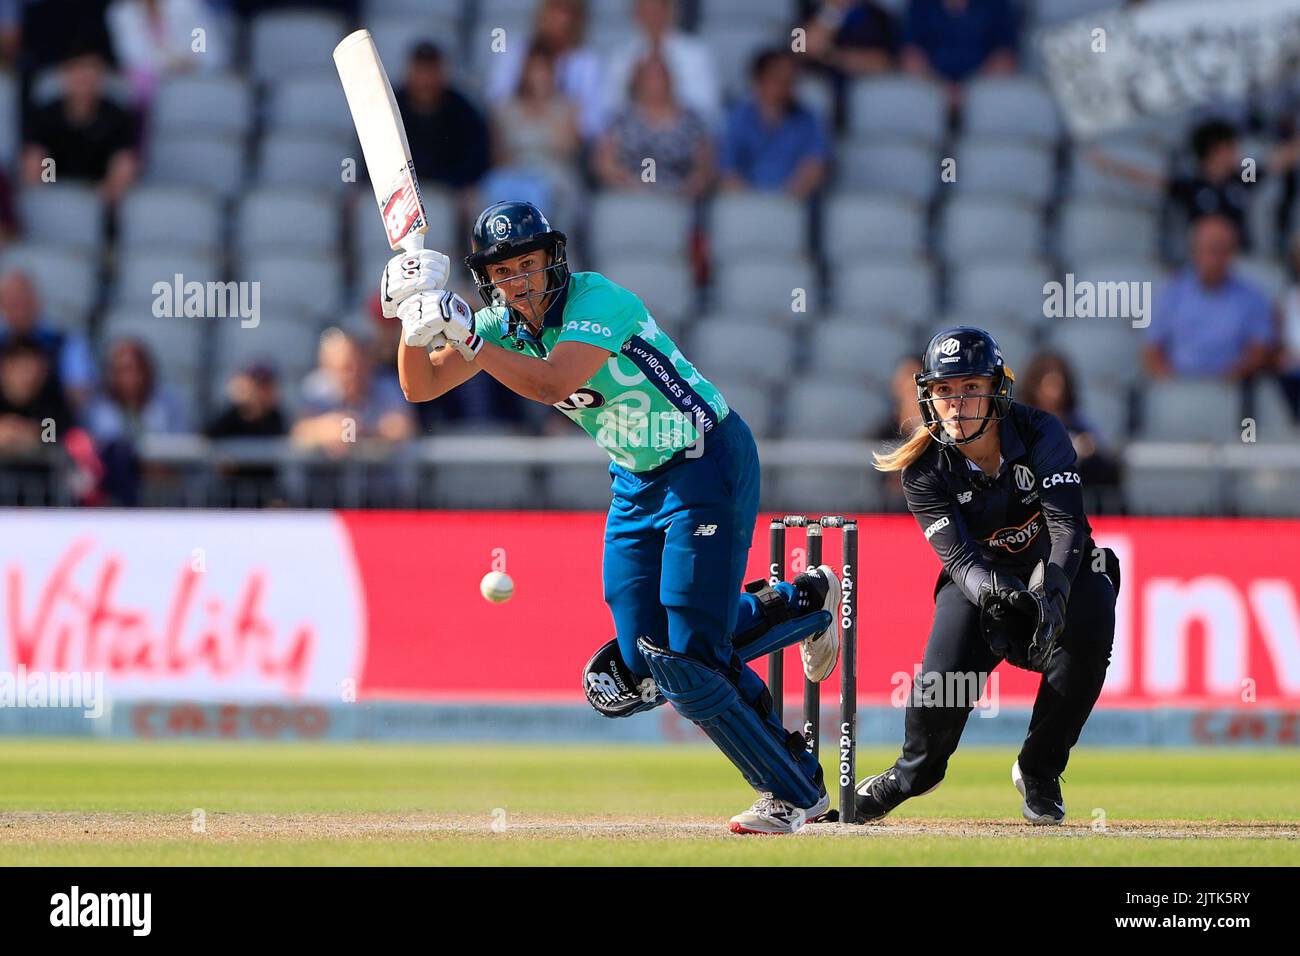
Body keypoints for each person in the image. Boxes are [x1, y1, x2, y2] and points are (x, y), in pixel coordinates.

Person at [380, 199, 843, 834]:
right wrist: (413, 319)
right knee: (637, 664)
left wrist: (463, 332)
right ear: (487, 278)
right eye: (505, 271)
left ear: (553, 260)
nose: (520, 281)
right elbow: (419, 388)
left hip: (704, 458)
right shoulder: (497, 323)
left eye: (530, 264)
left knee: (689, 660)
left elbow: (550, 383)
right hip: (634, 479)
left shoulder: (601, 302)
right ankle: (801, 602)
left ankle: (794, 791)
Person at [857, 327, 1119, 825]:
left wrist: (1054, 594)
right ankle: (908, 774)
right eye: (945, 391)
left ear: (997, 391)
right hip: (981, 581)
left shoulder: (1041, 431)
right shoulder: (923, 469)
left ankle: (1039, 770)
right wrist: (997, 596)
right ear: (929, 397)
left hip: (1059, 565)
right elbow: (958, 561)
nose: (956, 404)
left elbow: (1067, 526)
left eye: (970, 388)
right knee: (939, 693)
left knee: (1094, 612)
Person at [1088, 118, 1300, 251]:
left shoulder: (1243, 177)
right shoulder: (1191, 185)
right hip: (1204, 264)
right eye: (1231, 148)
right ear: (1214, 151)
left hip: (1240, 262)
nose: (1237, 154)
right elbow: (1147, 178)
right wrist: (1108, 164)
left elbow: (1278, 160)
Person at [1144, 215, 1277, 381]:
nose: (1214, 259)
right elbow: (1152, 348)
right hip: (1180, 388)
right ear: (1194, 251)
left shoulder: (1252, 297)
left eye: (1222, 250)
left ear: (1232, 253)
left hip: (1232, 389)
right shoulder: (1170, 294)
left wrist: (1239, 372)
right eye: (1209, 250)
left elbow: (1261, 347)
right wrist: (1170, 381)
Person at [20, 49, 139, 202]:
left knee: (125, 166)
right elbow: (39, 156)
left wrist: (106, 190)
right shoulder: (47, 115)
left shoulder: (116, 116)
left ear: (101, 75)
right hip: (56, 185)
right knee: (33, 161)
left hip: (100, 192)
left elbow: (123, 159)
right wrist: (48, 185)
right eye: (77, 69)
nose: (84, 76)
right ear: (64, 75)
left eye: (91, 69)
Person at [593, 54, 714, 200]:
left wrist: (687, 191)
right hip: (630, 196)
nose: (656, 82)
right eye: (649, 76)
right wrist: (629, 185)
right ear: (637, 81)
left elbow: (704, 166)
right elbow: (604, 163)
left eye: (660, 75)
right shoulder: (621, 119)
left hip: (680, 200)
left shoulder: (691, 120)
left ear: (671, 79)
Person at [485, 0, 606, 140]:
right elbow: (497, 101)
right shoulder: (514, 52)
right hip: (516, 137)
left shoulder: (588, 62)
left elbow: (592, 123)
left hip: (565, 144)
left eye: (566, 12)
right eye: (555, 10)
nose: (559, 19)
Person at [719, 49, 829, 200]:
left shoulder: (808, 120)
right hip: (744, 206)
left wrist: (785, 202)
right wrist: (754, 204)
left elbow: (814, 166)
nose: (786, 87)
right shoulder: (735, 119)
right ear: (757, 82)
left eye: (791, 80)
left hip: (794, 207)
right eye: (779, 79)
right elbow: (726, 171)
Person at [395, 42, 491, 205]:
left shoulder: (462, 109)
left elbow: (476, 156)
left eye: (431, 71)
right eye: (421, 71)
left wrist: (457, 183)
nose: (426, 80)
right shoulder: (392, 107)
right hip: (400, 188)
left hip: (451, 188)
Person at [604, 0, 720, 130]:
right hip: (633, 140)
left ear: (671, 12)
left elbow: (708, 111)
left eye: (658, 9)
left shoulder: (697, 54)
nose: (653, 16)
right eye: (646, 10)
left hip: (683, 139)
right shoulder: (621, 57)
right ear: (635, 14)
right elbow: (611, 110)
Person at [1017, 351, 1121, 492]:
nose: (1055, 393)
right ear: (1035, 387)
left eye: (1059, 386)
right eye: (1050, 386)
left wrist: (1087, 448)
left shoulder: (1077, 422)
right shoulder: (1019, 421)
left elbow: (1096, 448)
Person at [0, 270, 96, 409]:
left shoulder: (66, 343)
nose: (18, 309)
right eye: (12, 302)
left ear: (37, 302)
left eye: (23, 301)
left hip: (50, 419)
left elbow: (79, 399)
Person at [107, 0, 228, 109]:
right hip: (151, 92)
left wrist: (189, 61)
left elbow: (208, 50)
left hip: (193, 82)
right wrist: (171, 62)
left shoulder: (188, 5)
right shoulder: (121, 12)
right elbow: (133, 59)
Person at [900, 0, 1017, 109]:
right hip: (930, 88)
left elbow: (1006, 56)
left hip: (983, 90)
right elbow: (910, 55)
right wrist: (943, 88)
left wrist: (968, 91)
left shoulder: (996, 4)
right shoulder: (920, 4)